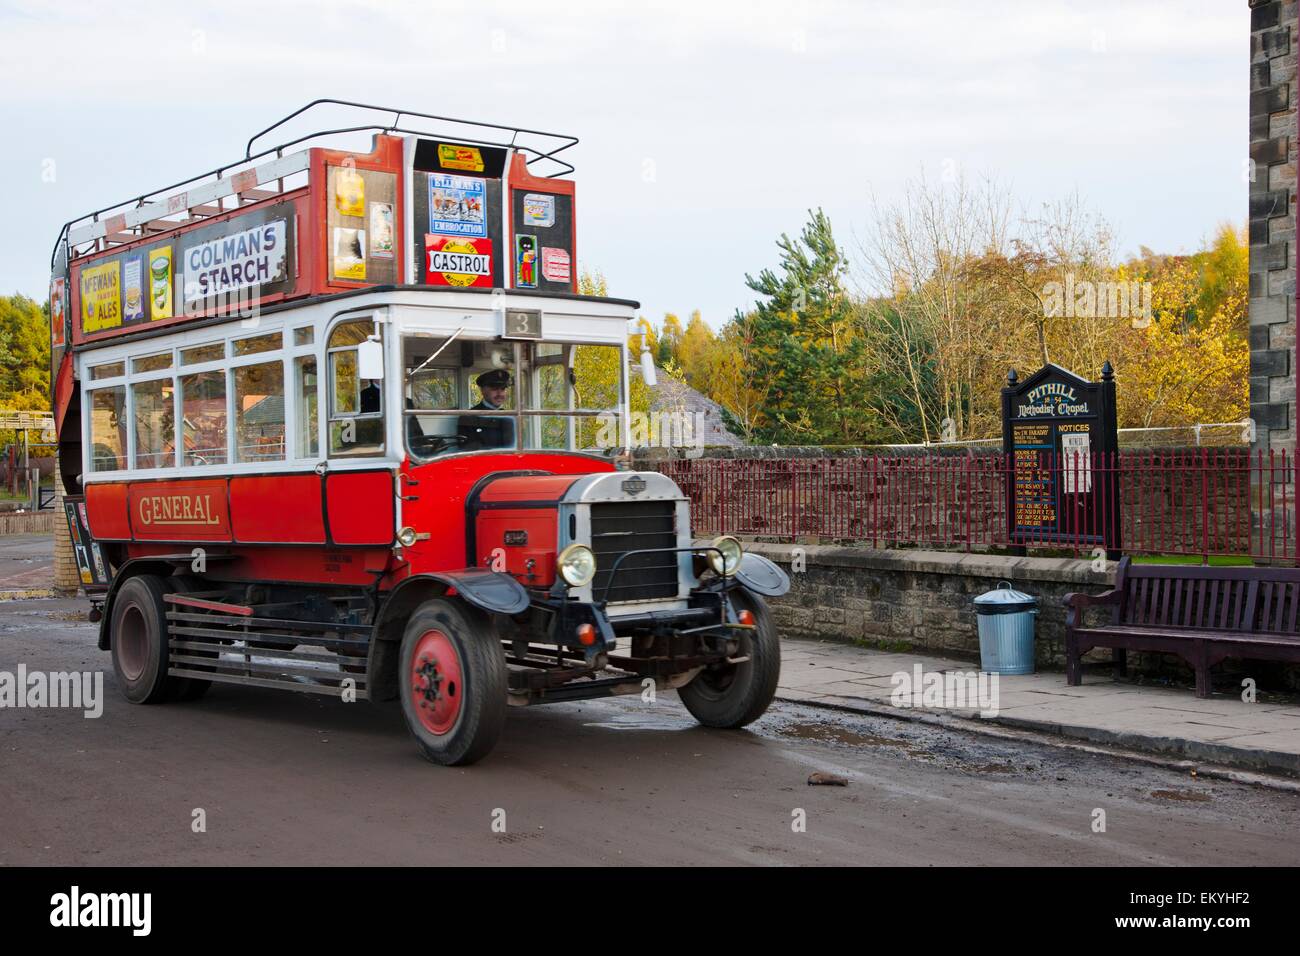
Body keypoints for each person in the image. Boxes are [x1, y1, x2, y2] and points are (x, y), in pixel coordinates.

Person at [462, 368, 515, 449]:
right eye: (494, 389)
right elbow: (468, 451)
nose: (500, 394)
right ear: (482, 390)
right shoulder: (469, 417)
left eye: (503, 389)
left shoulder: (509, 417)